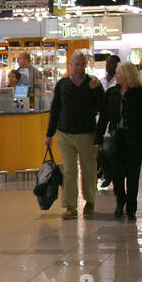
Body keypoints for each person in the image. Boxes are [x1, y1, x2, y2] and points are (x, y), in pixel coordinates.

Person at [45, 50, 104, 220]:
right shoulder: (63, 84)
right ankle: (70, 206)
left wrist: (97, 90)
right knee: (69, 170)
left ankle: (90, 201)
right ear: (70, 66)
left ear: (85, 65)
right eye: (76, 64)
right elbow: (55, 110)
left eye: (82, 64)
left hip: (86, 133)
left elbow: (102, 107)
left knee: (89, 169)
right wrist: (49, 134)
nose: (79, 67)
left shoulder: (92, 83)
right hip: (65, 133)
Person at [95, 61, 142, 222]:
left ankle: (131, 206)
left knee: (133, 175)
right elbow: (104, 117)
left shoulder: (138, 93)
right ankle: (121, 198)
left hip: (136, 139)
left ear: (127, 76)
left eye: (119, 73)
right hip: (117, 139)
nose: (117, 76)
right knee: (117, 174)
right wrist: (98, 139)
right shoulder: (112, 93)